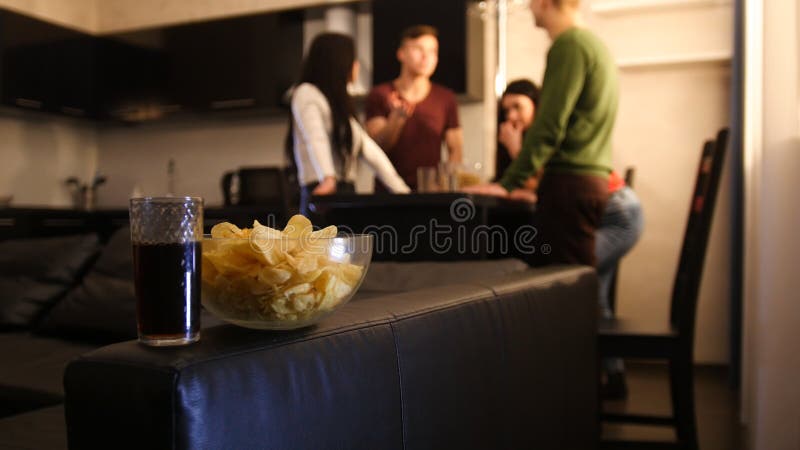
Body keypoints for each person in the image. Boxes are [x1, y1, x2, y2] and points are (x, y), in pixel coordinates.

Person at [465, 0, 618, 268]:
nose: (528, 7)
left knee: (564, 289)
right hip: (589, 181)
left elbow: (549, 124)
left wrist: (508, 183)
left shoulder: (569, 45)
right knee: (573, 284)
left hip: (569, 185)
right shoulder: (594, 46)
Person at [288, 33, 410, 215]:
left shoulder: (340, 107)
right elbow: (315, 137)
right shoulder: (306, 93)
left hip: (345, 194)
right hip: (319, 194)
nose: (357, 66)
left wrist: (402, 191)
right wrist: (327, 179)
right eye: (353, 59)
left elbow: (371, 151)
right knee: (319, 243)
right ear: (339, 63)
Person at [365, 25, 463, 190]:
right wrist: (396, 120)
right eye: (418, 49)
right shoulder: (380, 95)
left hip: (429, 193)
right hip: (388, 192)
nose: (426, 57)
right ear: (401, 54)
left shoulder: (446, 98)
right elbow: (376, 148)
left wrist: (444, 183)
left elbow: (456, 149)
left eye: (433, 51)